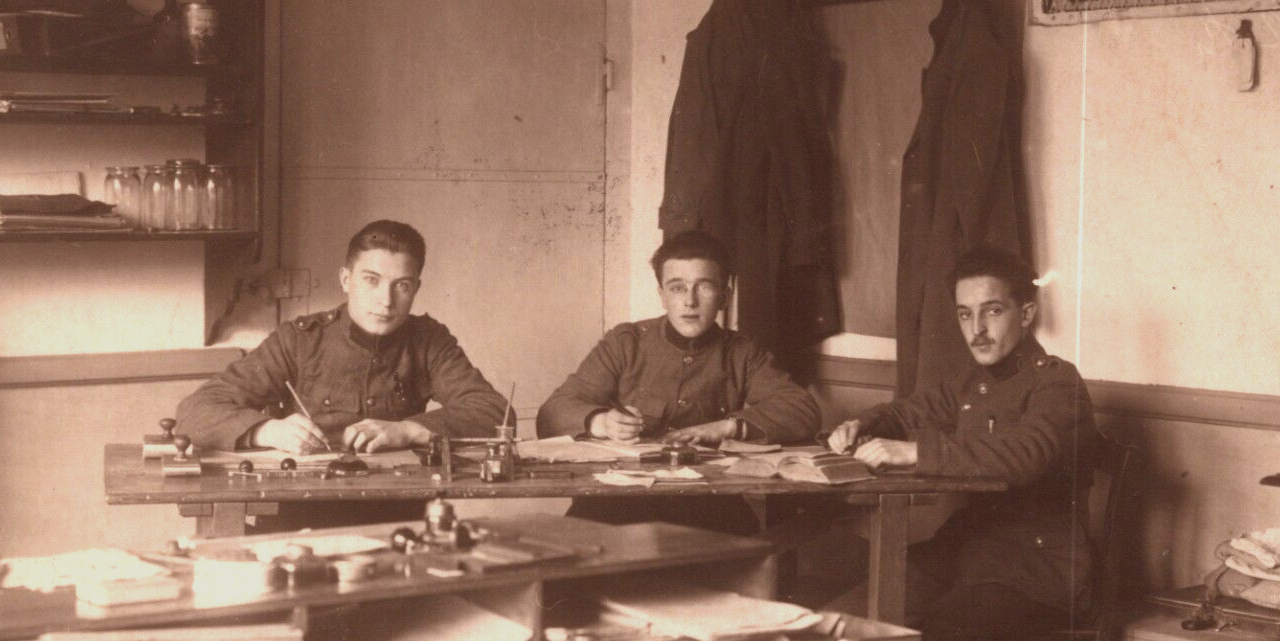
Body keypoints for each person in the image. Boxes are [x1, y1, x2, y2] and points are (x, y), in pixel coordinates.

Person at [825, 246, 1099, 641]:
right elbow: (909, 412)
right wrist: (863, 423)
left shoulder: (1057, 382)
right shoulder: (970, 381)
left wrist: (917, 451)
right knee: (839, 620)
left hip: (1036, 569)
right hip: (964, 552)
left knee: (939, 634)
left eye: (992, 312)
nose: (977, 331)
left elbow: (1027, 453)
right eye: (965, 314)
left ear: (1025, 315)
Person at [175, 219, 510, 527]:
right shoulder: (300, 339)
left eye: (402, 286)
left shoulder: (428, 340)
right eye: (372, 281)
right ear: (346, 280)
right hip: (297, 519)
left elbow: (493, 411)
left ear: (416, 289)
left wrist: (409, 430)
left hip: (395, 520)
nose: (386, 301)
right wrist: (266, 431)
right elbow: (195, 411)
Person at [537, 230, 820, 534]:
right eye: (677, 287)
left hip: (709, 507)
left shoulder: (742, 352)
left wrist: (728, 426)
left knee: (749, 561)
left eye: (704, 286)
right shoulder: (625, 343)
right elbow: (552, 413)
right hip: (617, 504)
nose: (690, 301)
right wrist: (602, 422)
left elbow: (802, 409)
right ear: (661, 295)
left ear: (725, 296)